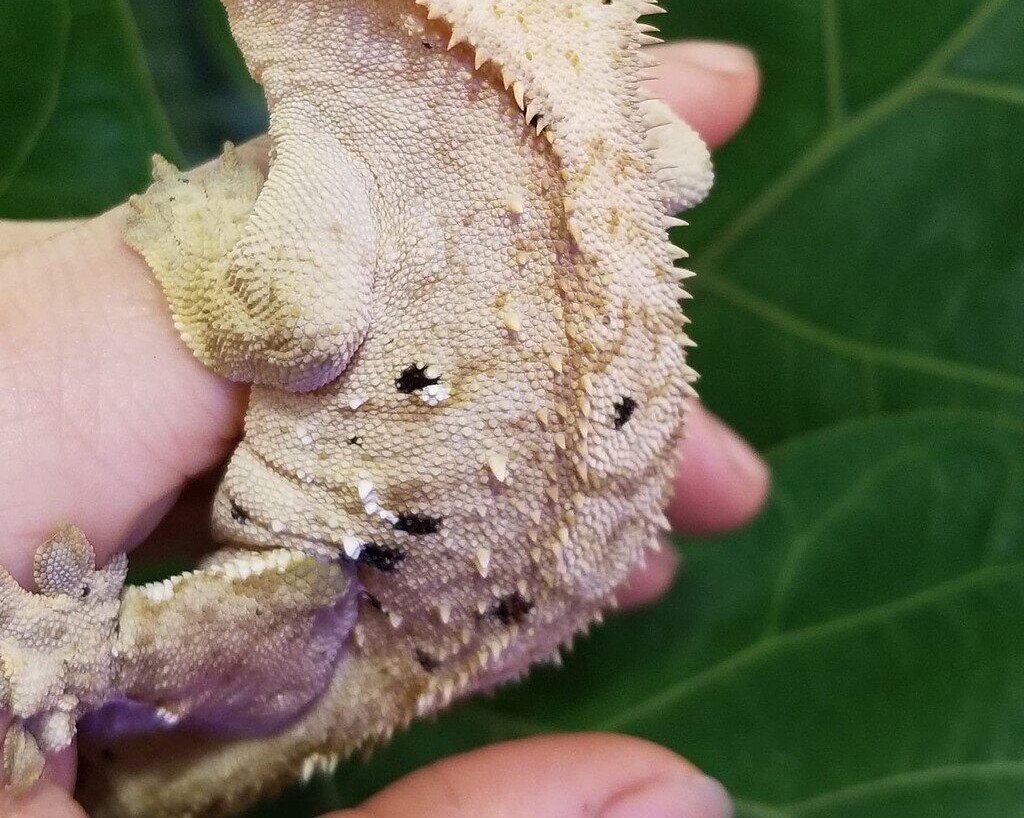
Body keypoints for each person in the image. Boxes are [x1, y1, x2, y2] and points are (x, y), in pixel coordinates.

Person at [0, 40, 766, 818]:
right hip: (458, 548)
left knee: (289, 601)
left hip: (376, 608)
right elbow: (681, 165)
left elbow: (301, 331)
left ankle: (81, 662)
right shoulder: (530, 92)